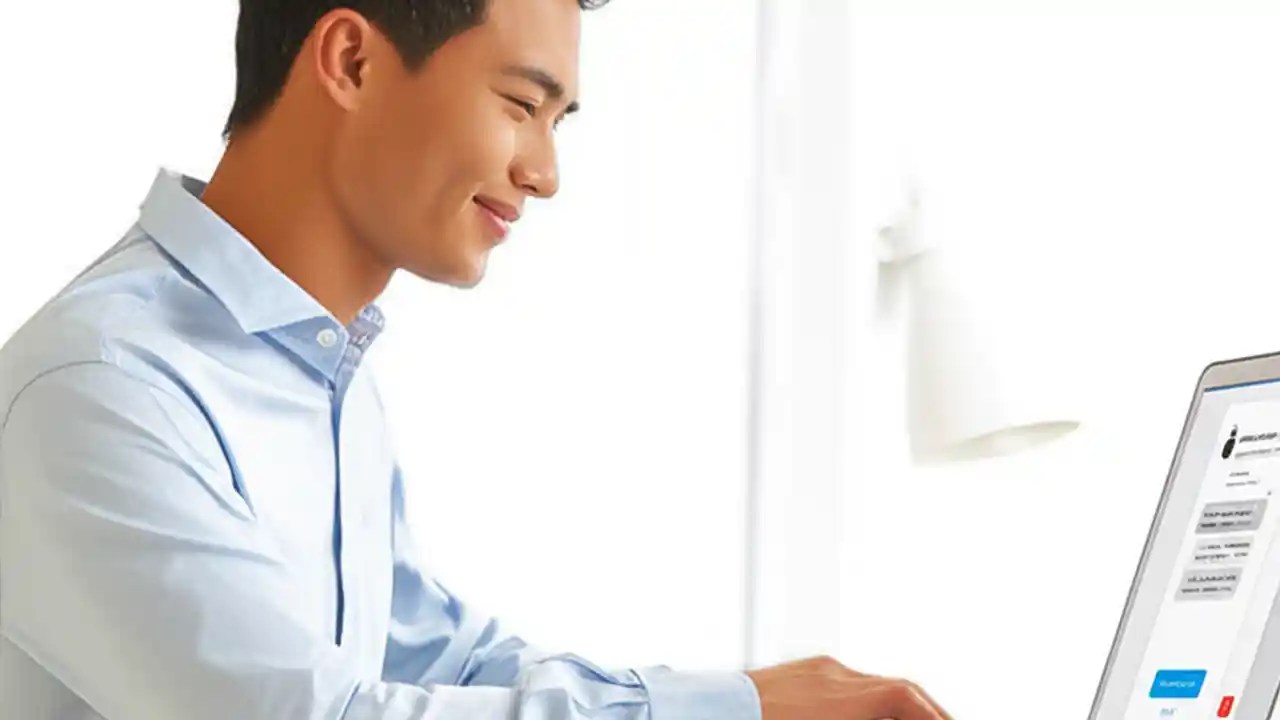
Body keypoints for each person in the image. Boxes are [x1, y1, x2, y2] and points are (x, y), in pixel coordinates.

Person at [0, 1, 954, 718]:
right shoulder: (102, 386)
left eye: (556, 121)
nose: (544, 171)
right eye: (521, 105)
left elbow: (441, 661)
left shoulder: (322, 376)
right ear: (351, 60)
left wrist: (752, 701)